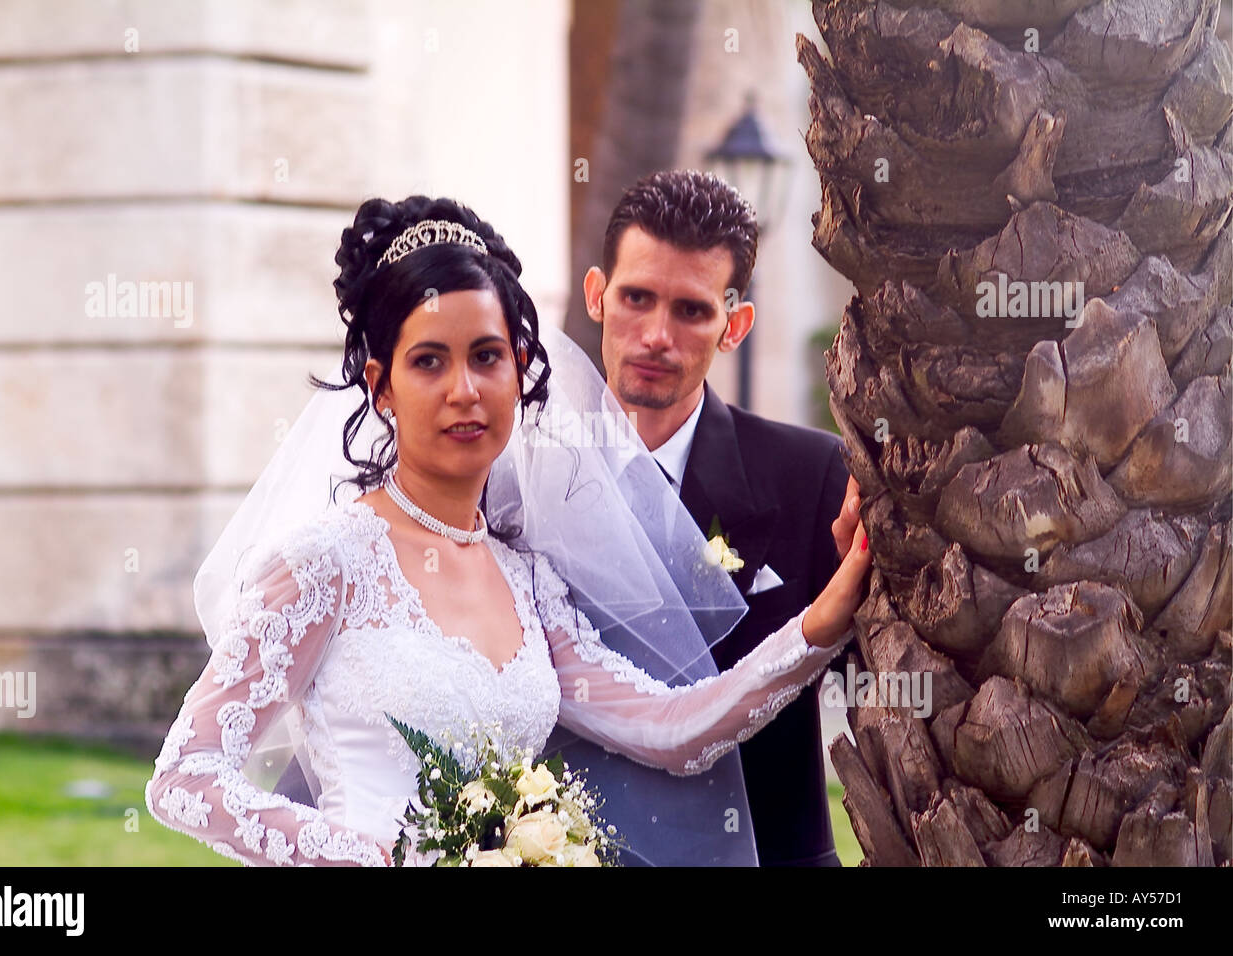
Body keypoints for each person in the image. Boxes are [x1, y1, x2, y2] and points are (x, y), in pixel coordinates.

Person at [144, 195, 871, 866]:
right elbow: (185, 777)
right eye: (429, 361)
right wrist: (379, 859)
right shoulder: (324, 562)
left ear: (520, 370)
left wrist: (820, 625)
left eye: (486, 357)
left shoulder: (525, 576)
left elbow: (672, 729)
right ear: (381, 386)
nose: (465, 390)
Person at [581, 169, 862, 867]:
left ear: (734, 325)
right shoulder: (525, 486)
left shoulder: (813, 476)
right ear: (596, 296)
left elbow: (892, 683)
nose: (655, 335)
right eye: (636, 298)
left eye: (691, 310)